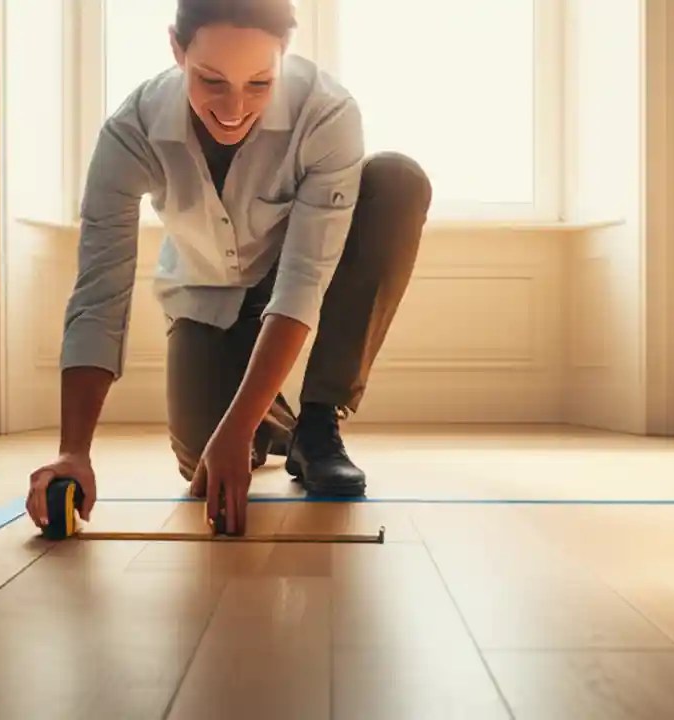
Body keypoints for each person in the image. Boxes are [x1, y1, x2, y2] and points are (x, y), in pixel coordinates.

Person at [25, 0, 432, 536]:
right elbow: (100, 291)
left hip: (305, 274)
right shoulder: (130, 130)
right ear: (177, 49)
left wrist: (238, 425)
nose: (235, 108)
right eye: (212, 81)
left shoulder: (328, 111)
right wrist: (72, 451)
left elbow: (302, 280)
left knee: (396, 180)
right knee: (202, 460)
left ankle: (316, 422)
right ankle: (271, 419)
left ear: (283, 55)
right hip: (211, 290)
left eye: (260, 83)